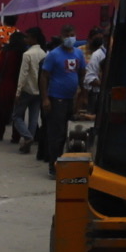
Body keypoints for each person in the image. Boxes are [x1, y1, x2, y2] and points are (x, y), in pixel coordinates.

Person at [37, 32, 82, 163]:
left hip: (70, 99)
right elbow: (43, 77)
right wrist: (45, 98)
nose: (71, 38)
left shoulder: (78, 53)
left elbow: (82, 73)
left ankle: (55, 158)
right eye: (67, 35)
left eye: (73, 34)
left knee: (62, 133)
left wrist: (82, 95)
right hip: (56, 98)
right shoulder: (53, 56)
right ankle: (53, 163)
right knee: (56, 132)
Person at [13, 33, 47, 151]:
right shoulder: (43, 53)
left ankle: (27, 137)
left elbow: (23, 74)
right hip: (39, 90)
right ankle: (29, 142)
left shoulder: (27, 54)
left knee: (16, 116)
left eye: (28, 37)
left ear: (34, 38)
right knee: (33, 117)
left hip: (27, 90)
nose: (25, 39)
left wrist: (18, 92)